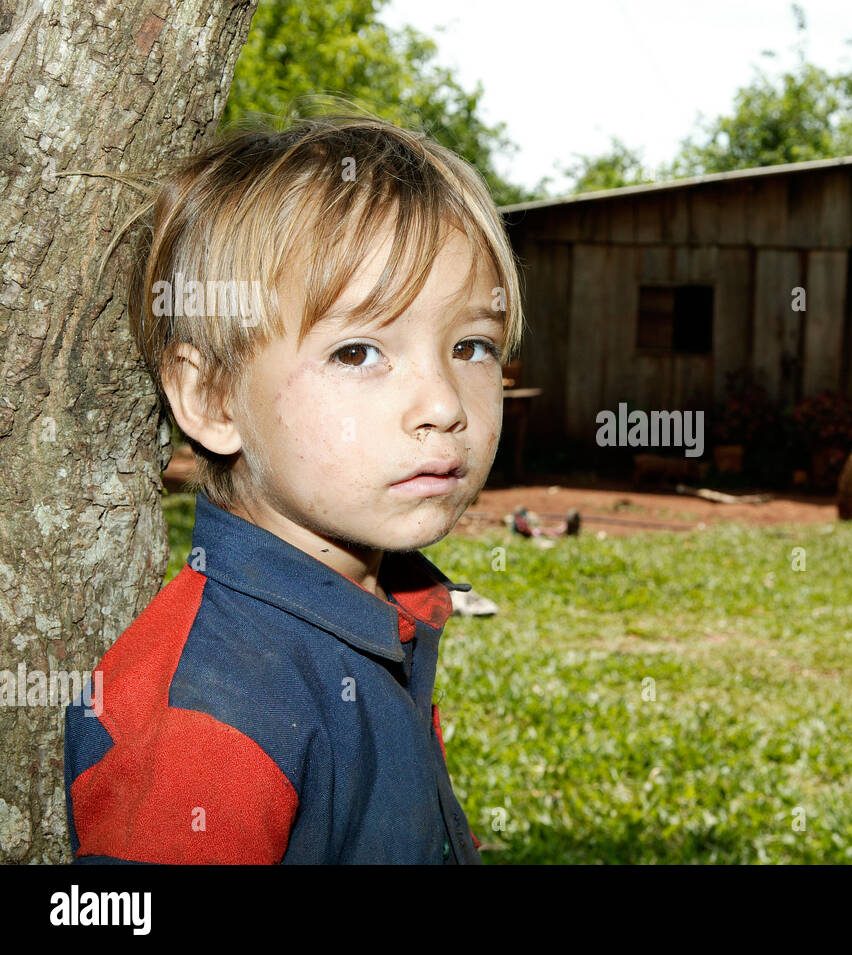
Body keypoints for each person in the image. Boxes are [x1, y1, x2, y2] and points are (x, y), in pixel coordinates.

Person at [62, 113, 524, 863]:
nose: (443, 403)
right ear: (212, 398)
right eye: (358, 351)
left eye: (470, 345)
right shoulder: (206, 719)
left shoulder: (375, 610)